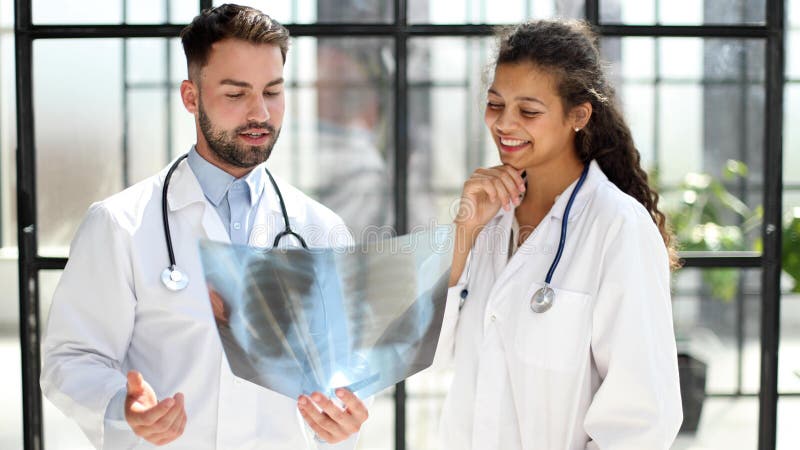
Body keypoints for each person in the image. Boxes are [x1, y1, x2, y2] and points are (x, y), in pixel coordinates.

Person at [40, 4, 369, 449]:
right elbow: (70, 358)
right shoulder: (120, 225)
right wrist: (122, 408)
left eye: (272, 92)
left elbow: (343, 373)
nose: (260, 114)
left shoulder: (319, 229)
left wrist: (340, 419)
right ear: (191, 96)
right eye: (236, 94)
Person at [435, 20, 683, 449]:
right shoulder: (489, 215)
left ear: (579, 115)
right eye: (495, 104)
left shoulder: (618, 227)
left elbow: (641, 420)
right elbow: (429, 354)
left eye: (528, 111)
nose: (504, 124)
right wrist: (464, 232)